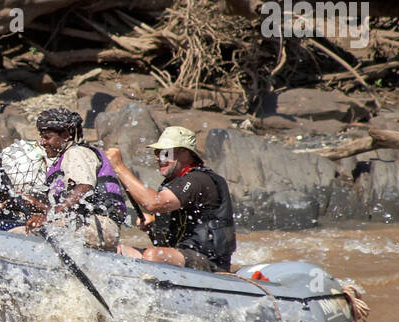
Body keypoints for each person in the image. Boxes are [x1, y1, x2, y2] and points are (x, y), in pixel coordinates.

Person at [105, 125, 236, 272]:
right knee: (117, 251)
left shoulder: (198, 180)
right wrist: (153, 225)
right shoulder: (174, 183)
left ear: (185, 154)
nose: (159, 158)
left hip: (209, 262)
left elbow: (154, 203)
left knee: (152, 256)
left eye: (166, 153)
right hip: (180, 256)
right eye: (157, 152)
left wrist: (118, 167)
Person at [15, 108, 126, 250]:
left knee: (19, 235)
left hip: (100, 226)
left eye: (47, 137)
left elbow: (84, 188)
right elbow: (68, 208)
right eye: (41, 137)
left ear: (66, 135)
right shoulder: (59, 162)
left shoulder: (76, 153)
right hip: (84, 224)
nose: (42, 142)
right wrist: (35, 203)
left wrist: (49, 218)